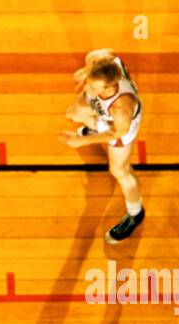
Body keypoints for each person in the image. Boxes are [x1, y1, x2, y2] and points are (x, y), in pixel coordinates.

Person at [61, 49, 144, 243]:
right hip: (103, 109)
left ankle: (135, 213)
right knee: (73, 114)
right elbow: (101, 53)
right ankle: (92, 127)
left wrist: (80, 141)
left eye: (91, 86)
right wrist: (87, 69)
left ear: (107, 88)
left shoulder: (121, 109)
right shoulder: (107, 64)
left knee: (119, 171)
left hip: (118, 129)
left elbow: (117, 133)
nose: (85, 87)